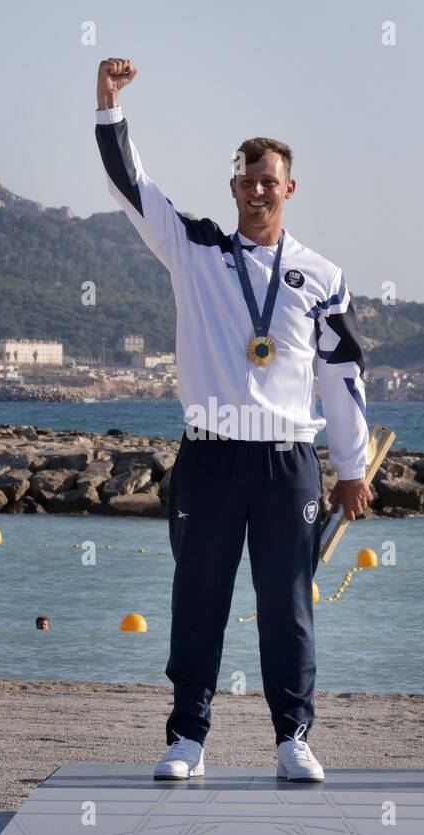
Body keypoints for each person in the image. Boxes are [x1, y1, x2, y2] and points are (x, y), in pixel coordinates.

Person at [94, 58, 371, 783]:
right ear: (234, 186)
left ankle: (293, 737)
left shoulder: (323, 274)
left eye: (268, 180)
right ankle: (187, 736)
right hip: (210, 457)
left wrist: (351, 465)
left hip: (288, 460)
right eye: (246, 179)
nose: (256, 190)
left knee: (288, 607)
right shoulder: (195, 250)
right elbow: (133, 187)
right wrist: (110, 105)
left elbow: (343, 375)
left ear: (289, 188)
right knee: (199, 598)